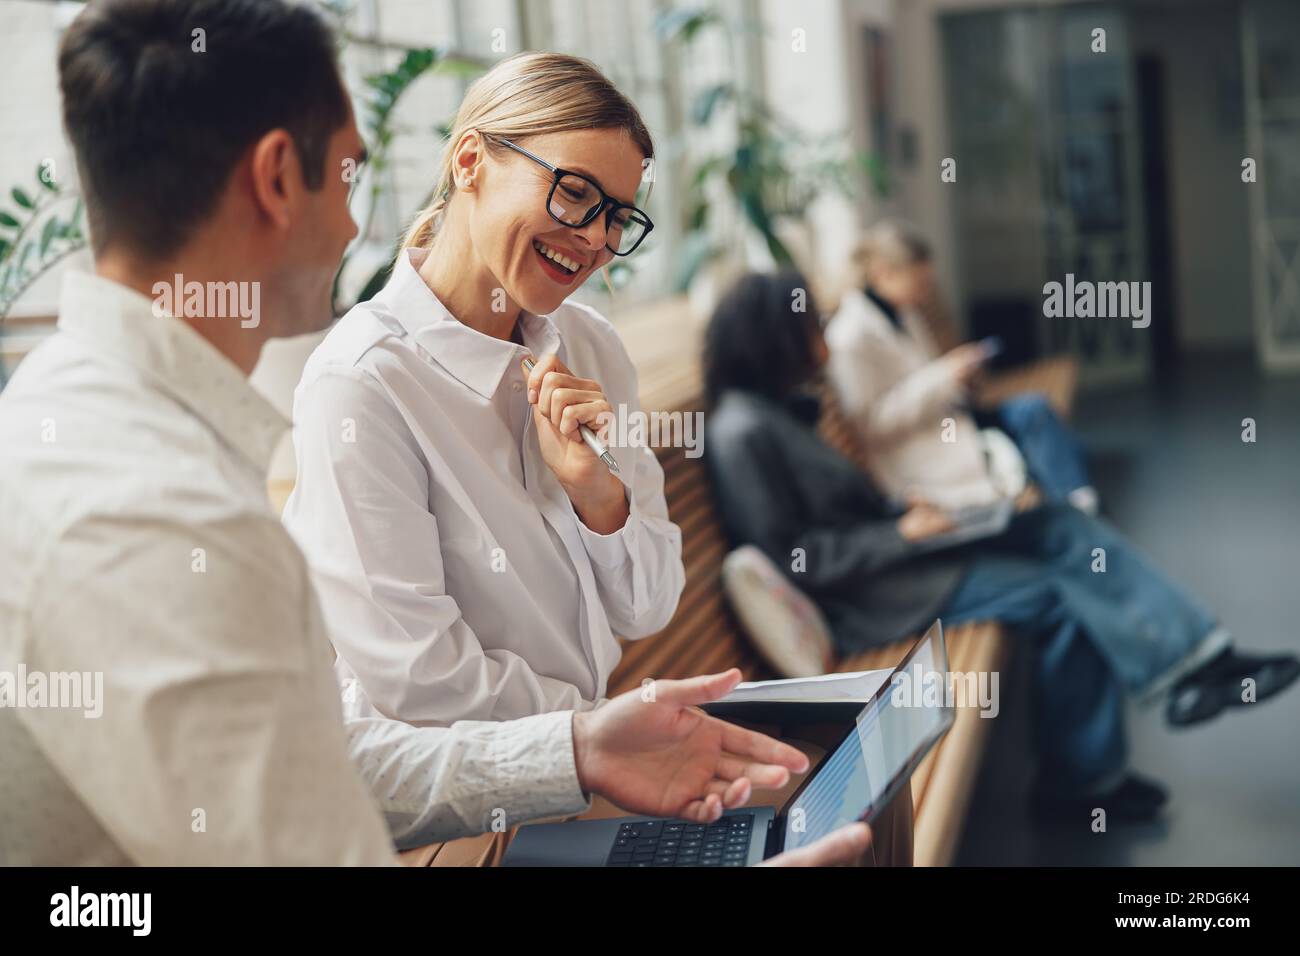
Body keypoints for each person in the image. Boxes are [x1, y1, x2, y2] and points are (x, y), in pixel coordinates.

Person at [0, 0, 865, 867]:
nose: (355, 227)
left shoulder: (105, 430)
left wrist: (579, 750)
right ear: (274, 179)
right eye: (348, 175)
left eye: (616, 217)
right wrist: (577, 744)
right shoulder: (153, 505)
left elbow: (321, 775)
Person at [702, 270, 1300, 821]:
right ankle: (1082, 781)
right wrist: (899, 532)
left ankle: (1199, 660)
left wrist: (904, 512)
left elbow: (832, 510)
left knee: (1058, 526)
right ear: (774, 337)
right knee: (1054, 598)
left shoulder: (770, 412)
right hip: (874, 595)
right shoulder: (741, 431)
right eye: (811, 329)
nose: (825, 343)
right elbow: (795, 559)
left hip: (898, 556)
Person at [282, 52, 684, 730]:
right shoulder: (362, 384)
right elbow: (421, 678)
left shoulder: (591, 348)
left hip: (583, 759)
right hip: (461, 809)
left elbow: (648, 606)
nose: (593, 239)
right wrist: (598, 733)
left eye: (617, 216)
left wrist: (599, 496)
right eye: (576, 192)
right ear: (469, 161)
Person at [826, 220, 1099, 514]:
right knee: (1036, 424)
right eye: (920, 283)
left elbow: (926, 377)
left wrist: (958, 377)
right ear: (883, 274)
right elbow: (871, 424)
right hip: (920, 450)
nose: (926, 293)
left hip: (949, 418)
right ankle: (1078, 510)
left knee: (1036, 413)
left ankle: (1078, 504)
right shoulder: (850, 337)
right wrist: (945, 377)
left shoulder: (902, 314)